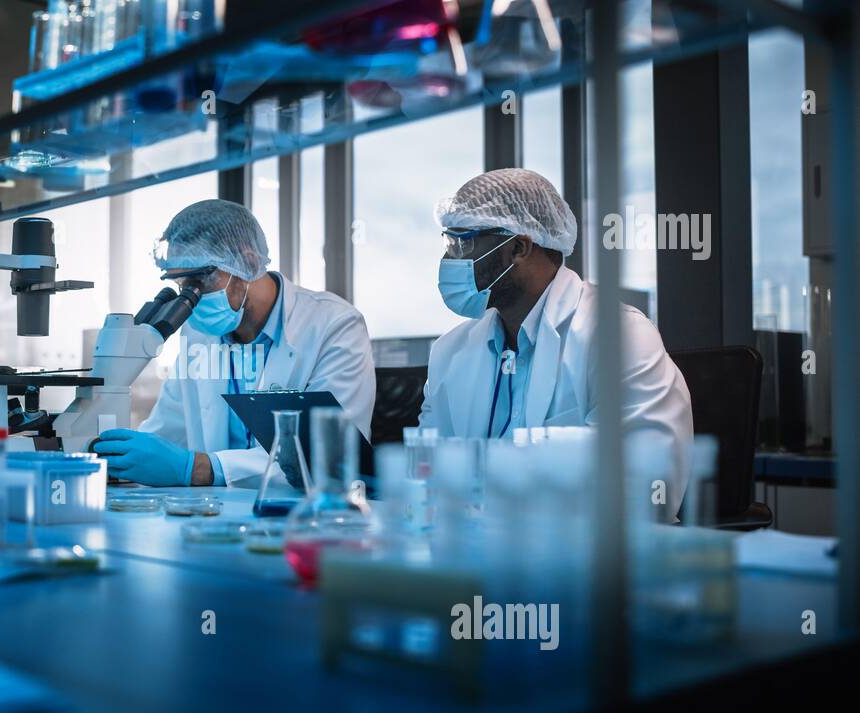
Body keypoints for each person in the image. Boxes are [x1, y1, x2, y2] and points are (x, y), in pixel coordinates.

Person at [420, 168, 694, 520]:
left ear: (518, 246)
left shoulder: (618, 337)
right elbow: (426, 471)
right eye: (449, 243)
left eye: (464, 243)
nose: (449, 261)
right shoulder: (449, 352)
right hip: (474, 559)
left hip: (585, 564)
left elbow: (649, 487)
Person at [93, 199, 376, 487]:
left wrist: (198, 469)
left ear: (248, 263)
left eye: (201, 281)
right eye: (183, 286)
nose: (192, 296)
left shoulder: (334, 325)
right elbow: (167, 430)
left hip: (302, 517)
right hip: (219, 517)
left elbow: (328, 452)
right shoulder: (198, 334)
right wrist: (114, 458)